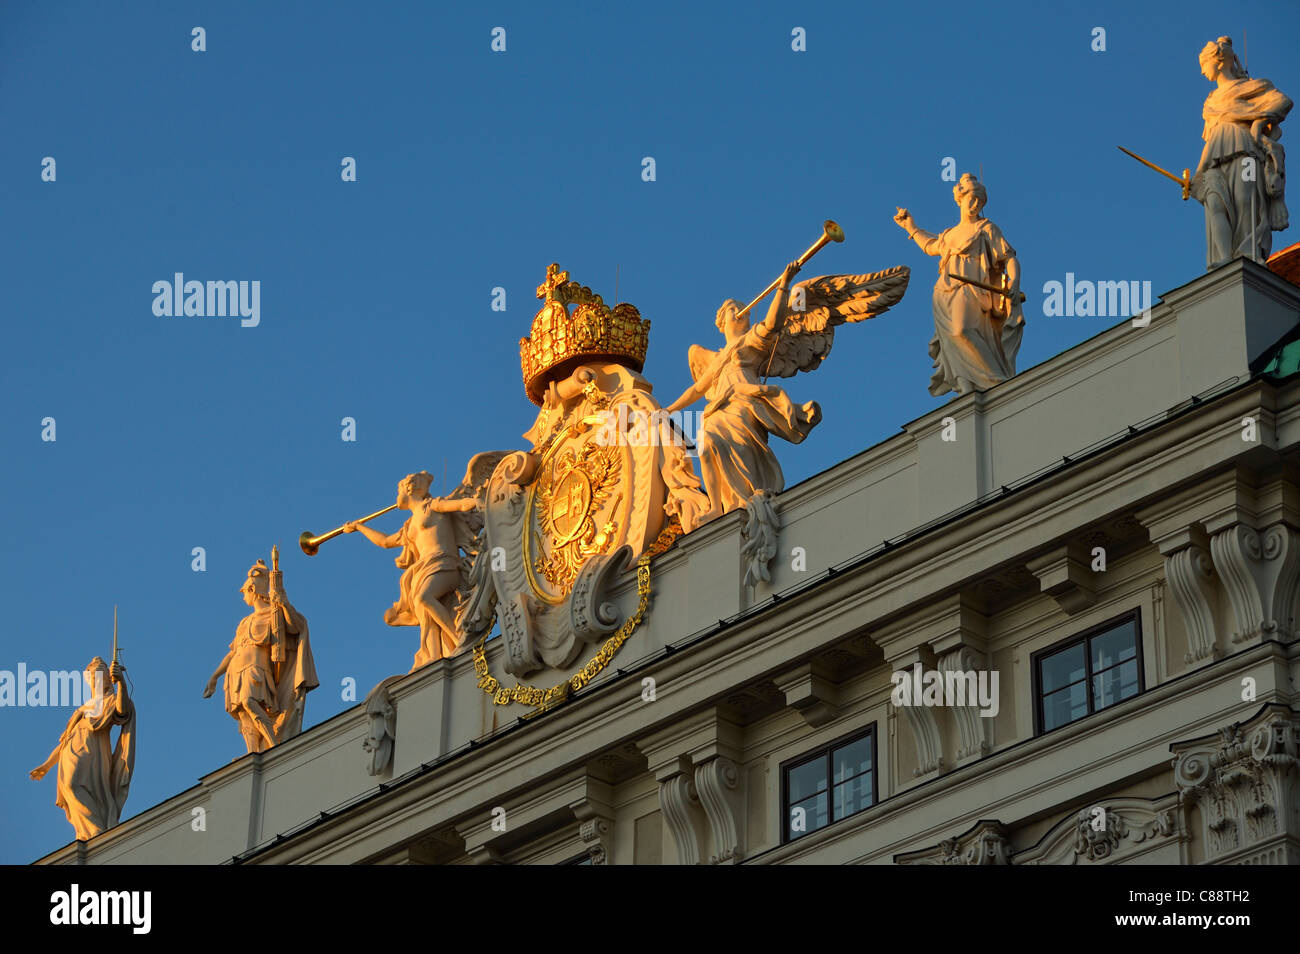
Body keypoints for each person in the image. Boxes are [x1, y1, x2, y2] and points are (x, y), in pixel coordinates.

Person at [666, 261, 821, 526]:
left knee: (743, 455)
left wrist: (784, 285)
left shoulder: (750, 341)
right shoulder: (712, 357)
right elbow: (695, 390)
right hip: (717, 410)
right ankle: (717, 507)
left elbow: (772, 323)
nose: (740, 312)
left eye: (743, 310)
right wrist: (667, 411)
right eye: (733, 309)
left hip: (744, 404)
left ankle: (748, 504)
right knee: (704, 447)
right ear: (722, 321)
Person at [894, 174, 1022, 396]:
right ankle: (966, 388)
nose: (974, 205)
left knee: (962, 330)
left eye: (979, 202)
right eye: (971, 199)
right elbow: (930, 246)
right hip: (944, 292)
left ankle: (996, 380)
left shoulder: (986, 228)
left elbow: (1009, 257)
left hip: (972, 289)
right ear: (960, 199)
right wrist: (911, 227)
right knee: (952, 338)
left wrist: (1014, 281)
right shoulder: (949, 235)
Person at [346, 472, 480, 669]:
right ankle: (434, 656)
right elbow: (385, 542)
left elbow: (459, 505)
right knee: (426, 617)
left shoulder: (432, 506)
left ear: (409, 489)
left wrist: (477, 501)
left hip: (445, 563)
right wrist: (360, 527)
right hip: (423, 570)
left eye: (398, 490)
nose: (396, 496)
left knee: (423, 598)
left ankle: (460, 640)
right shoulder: (409, 526)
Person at [1191, 36, 1291, 269]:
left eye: (1204, 65)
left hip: (1246, 154)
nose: (1203, 72)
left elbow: (1283, 101)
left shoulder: (1248, 87)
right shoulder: (1210, 102)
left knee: (1246, 201)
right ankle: (1224, 260)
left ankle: (1248, 256)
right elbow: (1212, 139)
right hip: (1215, 160)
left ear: (1217, 61)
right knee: (1217, 205)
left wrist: (1259, 122)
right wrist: (1198, 171)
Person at [204, 555, 317, 753]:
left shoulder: (274, 613)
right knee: (244, 713)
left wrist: (282, 600)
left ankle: (273, 744)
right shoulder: (244, 622)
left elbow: (296, 626)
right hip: (236, 671)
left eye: (244, 592)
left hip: (256, 669)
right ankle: (253, 754)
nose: (243, 596)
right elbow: (232, 653)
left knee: (249, 702)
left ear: (252, 590)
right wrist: (215, 676)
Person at [31, 657, 136, 840]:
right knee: (70, 787)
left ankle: (96, 830)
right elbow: (64, 742)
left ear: (106, 680)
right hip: (70, 754)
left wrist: (121, 683)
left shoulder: (110, 700)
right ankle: (89, 831)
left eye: (99, 675)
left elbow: (123, 711)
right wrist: (47, 765)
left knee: (74, 785)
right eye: (92, 676)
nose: (94, 679)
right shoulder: (81, 710)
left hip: (92, 753)